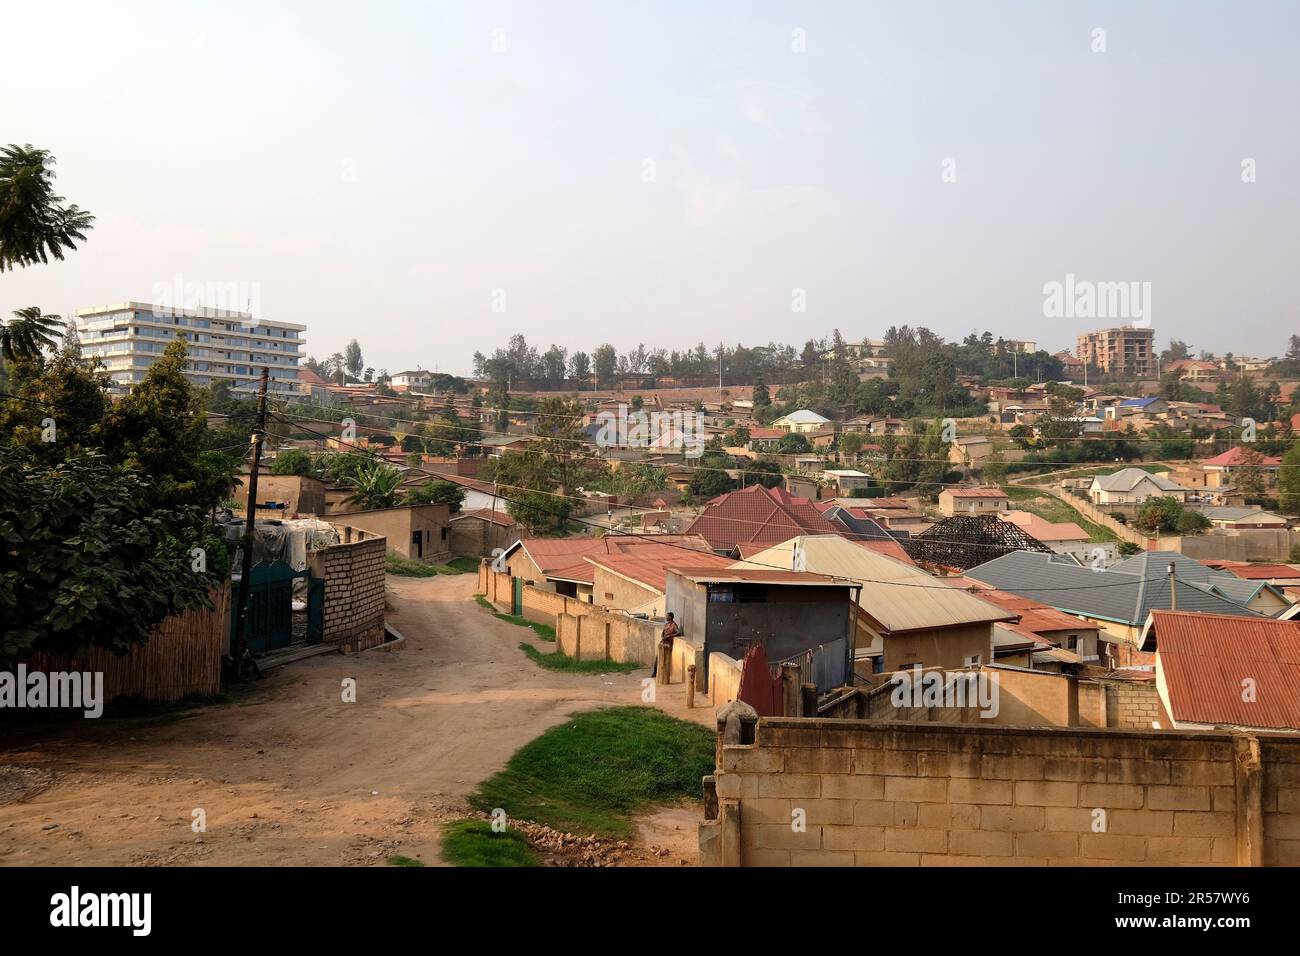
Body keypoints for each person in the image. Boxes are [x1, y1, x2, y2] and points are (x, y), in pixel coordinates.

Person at [651, 612, 680, 679]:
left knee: (665, 660)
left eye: (667, 616)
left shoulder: (674, 625)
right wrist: (663, 636)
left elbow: (678, 632)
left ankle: (665, 674)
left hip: (668, 644)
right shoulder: (666, 624)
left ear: (670, 617)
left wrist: (670, 636)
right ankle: (655, 672)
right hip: (663, 642)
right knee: (657, 658)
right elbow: (663, 632)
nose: (666, 617)